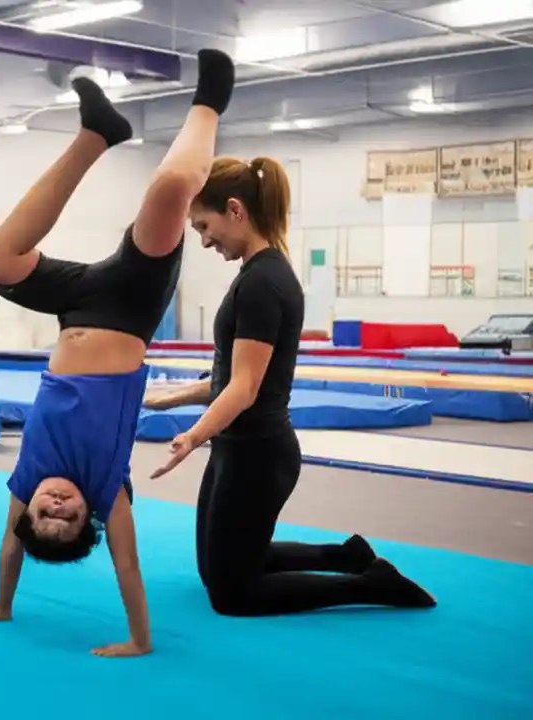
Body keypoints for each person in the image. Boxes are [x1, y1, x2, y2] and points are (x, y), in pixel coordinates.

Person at [0, 49, 238, 658]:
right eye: (69, 519)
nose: (57, 508)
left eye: (44, 516)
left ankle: (96, 135)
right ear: (89, 516)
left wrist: (3, 606)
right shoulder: (108, 489)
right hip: (133, 305)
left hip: (76, 305)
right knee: (170, 190)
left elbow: (9, 548)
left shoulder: (25, 479)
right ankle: (210, 102)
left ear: (27, 512)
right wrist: (139, 640)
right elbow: (128, 567)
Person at [144, 156, 437, 616]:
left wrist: (192, 436)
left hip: (258, 453)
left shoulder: (263, 283)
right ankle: (344, 556)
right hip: (236, 446)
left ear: (235, 210)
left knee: (232, 596)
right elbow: (229, 377)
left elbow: (244, 388)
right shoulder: (254, 274)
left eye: (204, 226)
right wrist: (169, 398)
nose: (203, 241)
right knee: (215, 571)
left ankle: (371, 584)